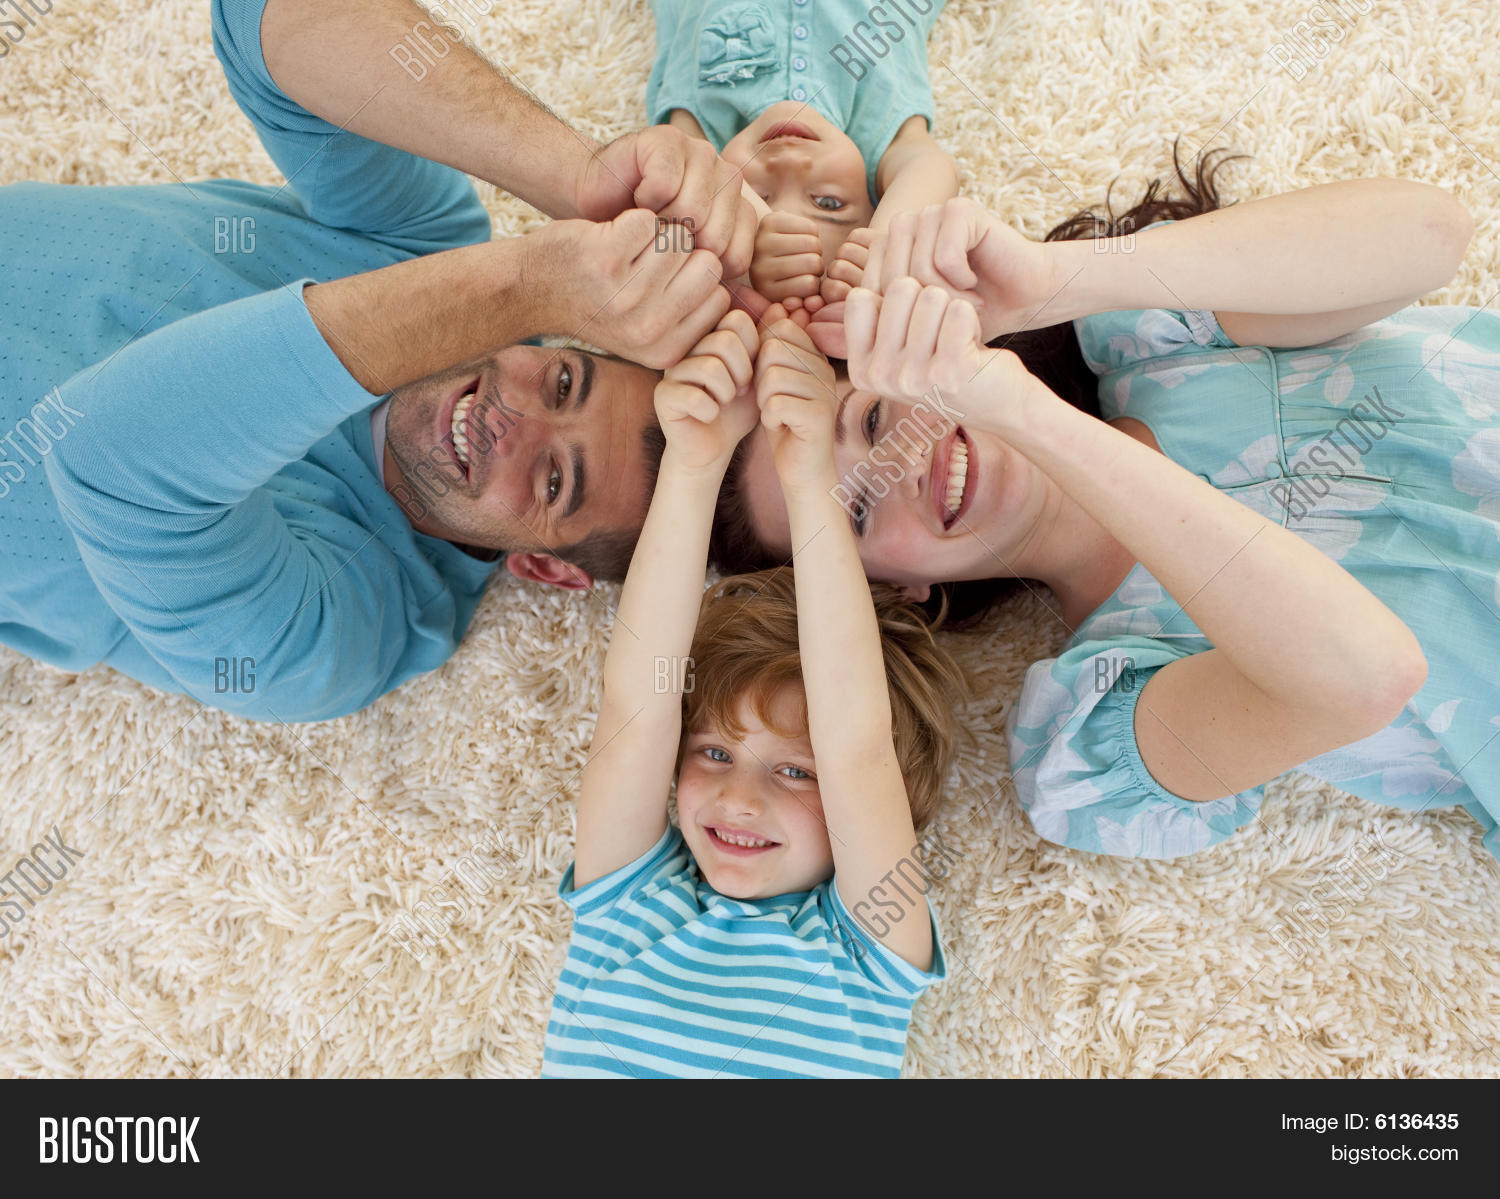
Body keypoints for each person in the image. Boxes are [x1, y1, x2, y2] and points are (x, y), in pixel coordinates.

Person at [708, 151, 1500, 863]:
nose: (900, 467)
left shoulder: (1148, 340)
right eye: (857, 515)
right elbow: (1371, 673)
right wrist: (1014, 409)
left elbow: (1435, 232)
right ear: (890, 590)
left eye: (876, 420)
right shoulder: (1090, 725)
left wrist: (1050, 284)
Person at [0, 0, 760, 722]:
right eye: (564, 382)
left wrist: (527, 286)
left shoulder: (342, 636)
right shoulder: (442, 257)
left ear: (546, 569)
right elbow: (258, 17)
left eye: (554, 480)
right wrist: (580, 176)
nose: (512, 420)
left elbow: (106, 456)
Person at [542, 308, 967, 1077]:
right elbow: (640, 708)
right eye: (713, 750)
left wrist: (812, 482)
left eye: (797, 769)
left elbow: (856, 741)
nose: (739, 798)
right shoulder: (627, 903)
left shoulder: (870, 942)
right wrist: (694, 463)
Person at [645, 0, 958, 348]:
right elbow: (930, 165)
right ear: (876, 201)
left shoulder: (706, 134)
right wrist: (885, 246)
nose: (787, 162)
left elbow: (683, 161)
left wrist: (743, 252)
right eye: (828, 202)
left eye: (758, 196)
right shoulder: (876, 131)